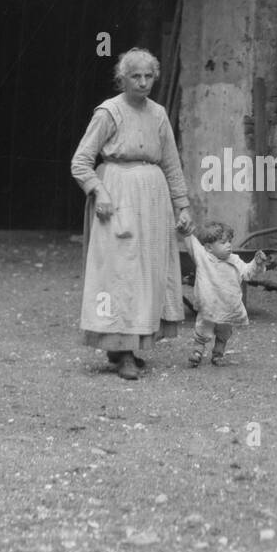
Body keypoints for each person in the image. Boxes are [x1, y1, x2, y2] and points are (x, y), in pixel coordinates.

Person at [70, 49, 192, 380]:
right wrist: (99, 190)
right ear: (122, 79)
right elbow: (81, 161)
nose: (142, 83)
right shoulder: (109, 112)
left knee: (145, 272)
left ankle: (131, 345)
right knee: (120, 272)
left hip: (153, 200)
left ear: (155, 77)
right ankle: (120, 351)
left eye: (148, 76)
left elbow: (171, 162)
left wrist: (182, 205)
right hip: (118, 195)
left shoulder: (158, 114)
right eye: (135, 76)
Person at [183, 221, 266, 367]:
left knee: (224, 332)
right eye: (223, 243)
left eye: (229, 241)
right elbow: (193, 245)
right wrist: (187, 232)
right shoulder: (204, 258)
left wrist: (256, 263)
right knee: (203, 329)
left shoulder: (235, 261)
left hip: (228, 307)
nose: (228, 245)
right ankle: (197, 352)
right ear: (209, 247)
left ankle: (218, 354)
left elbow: (248, 273)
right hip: (208, 305)